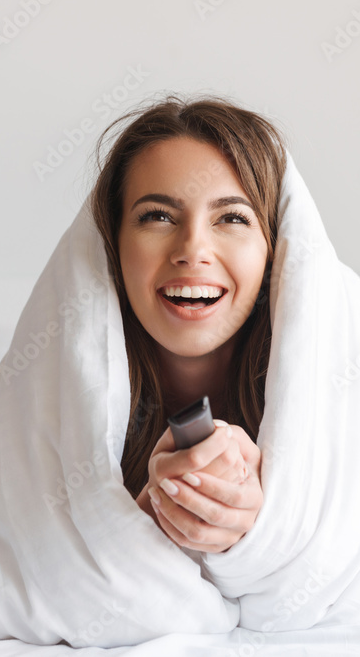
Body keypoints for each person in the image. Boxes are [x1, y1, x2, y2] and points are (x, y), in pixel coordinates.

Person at [89, 94, 288, 554]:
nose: (192, 250)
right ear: (112, 247)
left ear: (274, 250)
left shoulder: (338, 400)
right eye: (158, 216)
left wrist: (265, 531)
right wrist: (144, 521)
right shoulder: (52, 402)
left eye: (232, 218)